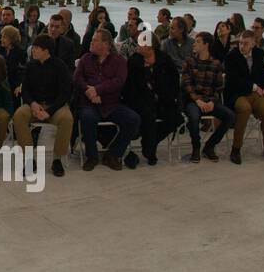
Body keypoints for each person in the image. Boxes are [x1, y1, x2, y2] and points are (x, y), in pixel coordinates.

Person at [73, 29, 140, 171]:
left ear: (106, 44)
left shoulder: (119, 61)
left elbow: (118, 81)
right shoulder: (85, 58)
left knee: (133, 119)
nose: (91, 42)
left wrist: (97, 90)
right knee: (87, 117)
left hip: (111, 103)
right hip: (88, 103)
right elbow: (77, 78)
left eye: (95, 40)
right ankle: (92, 156)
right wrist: (89, 91)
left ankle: (114, 154)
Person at [12, 33, 74, 177]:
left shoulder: (60, 66)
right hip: (34, 105)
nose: (33, 50)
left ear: (46, 51)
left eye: (36, 48)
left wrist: (50, 111)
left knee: (67, 119)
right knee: (19, 115)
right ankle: (29, 157)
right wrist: (33, 104)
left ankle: (57, 159)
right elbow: (25, 89)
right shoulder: (31, 65)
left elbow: (65, 93)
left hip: (55, 106)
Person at [223, 30, 264, 164]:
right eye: (241, 43)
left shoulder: (258, 54)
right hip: (237, 93)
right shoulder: (231, 56)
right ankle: (236, 148)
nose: (242, 46)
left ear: (253, 44)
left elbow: (261, 73)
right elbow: (233, 80)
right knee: (245, 109)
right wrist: (254, 87)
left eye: (246, 43)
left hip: (255, 93)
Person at [123, 36, 182, 165]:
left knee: (176, 118)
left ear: (150, 47)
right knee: (148, 116)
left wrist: (167, 96)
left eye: (141, 44)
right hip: (141, 100)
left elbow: (174, 80)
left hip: (163, 98)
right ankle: (150, 151)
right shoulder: (134, 61)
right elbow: (130, 87)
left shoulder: (164, 59)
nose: (138, 46)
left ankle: (152, 141)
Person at [180, 32, 235, 163]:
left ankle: (210, 146)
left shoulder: (216, 64)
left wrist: (211, 101)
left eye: (198, 41)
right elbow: (186, 84)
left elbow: (218, 87)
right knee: (193, 117)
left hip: (209, 100)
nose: (194, 44)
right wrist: (197, 100)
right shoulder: (189, 61)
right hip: (193, 100)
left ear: (206, 45)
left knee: (230, 116)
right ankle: (196, 147)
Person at [0, 23, 26, 99]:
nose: (1, 39)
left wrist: (19, 85)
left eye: (4, 37)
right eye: (1, 37)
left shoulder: (20, 52)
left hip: (13, 82)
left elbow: (21, 71)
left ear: (12, 39)